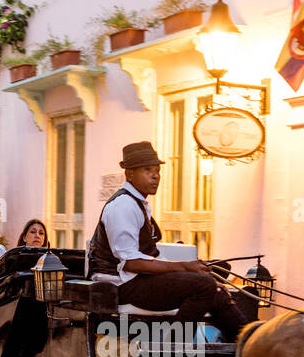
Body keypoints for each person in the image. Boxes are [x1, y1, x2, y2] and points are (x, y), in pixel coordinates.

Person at [86, 141, 246, 340]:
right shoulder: (122, 206)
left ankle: (245, 343)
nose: (155, 176)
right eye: (148, 170)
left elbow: (148, 255)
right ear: (129, 174)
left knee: (217, 290)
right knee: (204, 285)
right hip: (121, 284)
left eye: (157, 171)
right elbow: (131, 262)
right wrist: (184, 267)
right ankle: (172, 348)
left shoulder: (138, 203)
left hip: (137, 280)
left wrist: (190, 267)